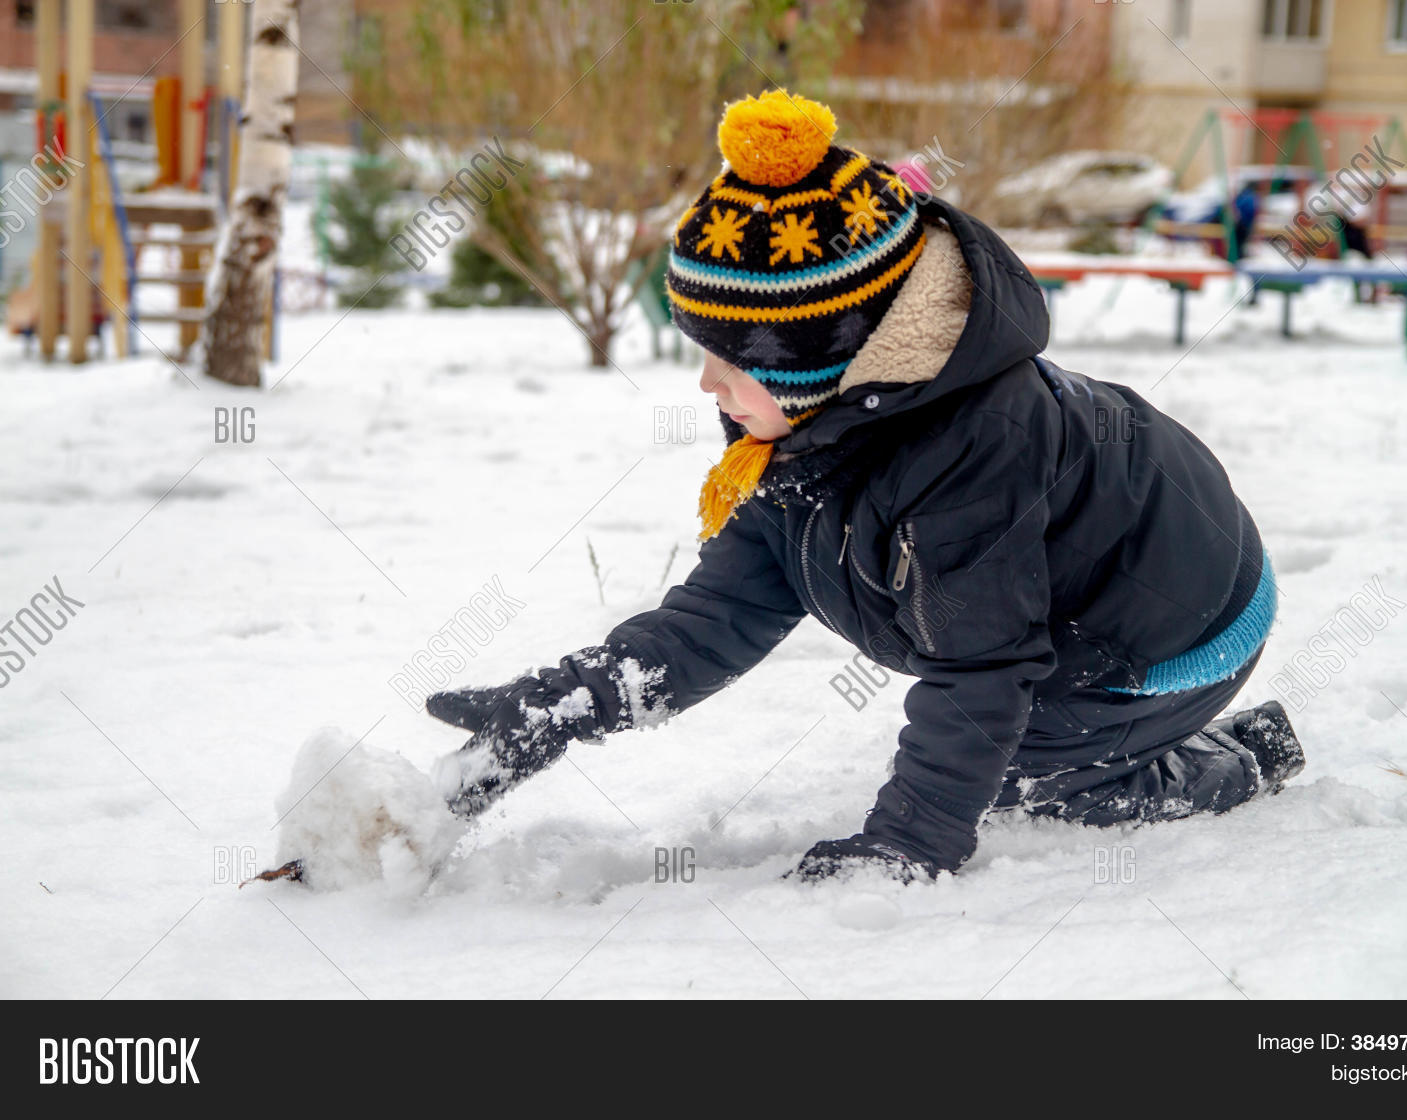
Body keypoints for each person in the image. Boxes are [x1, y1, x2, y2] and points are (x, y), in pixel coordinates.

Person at [425, 91, 1304, 883]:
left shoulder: (967, 459)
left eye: (730, 361)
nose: (706, 386)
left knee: (1020, 781)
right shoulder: (803, 434)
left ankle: (1238, 757)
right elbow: (720, 614)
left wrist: (908, 844)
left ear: (823, 359)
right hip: (1095, 606)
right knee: (987, 751)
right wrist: (565, 703)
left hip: (1177, 635)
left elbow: (982, 670)